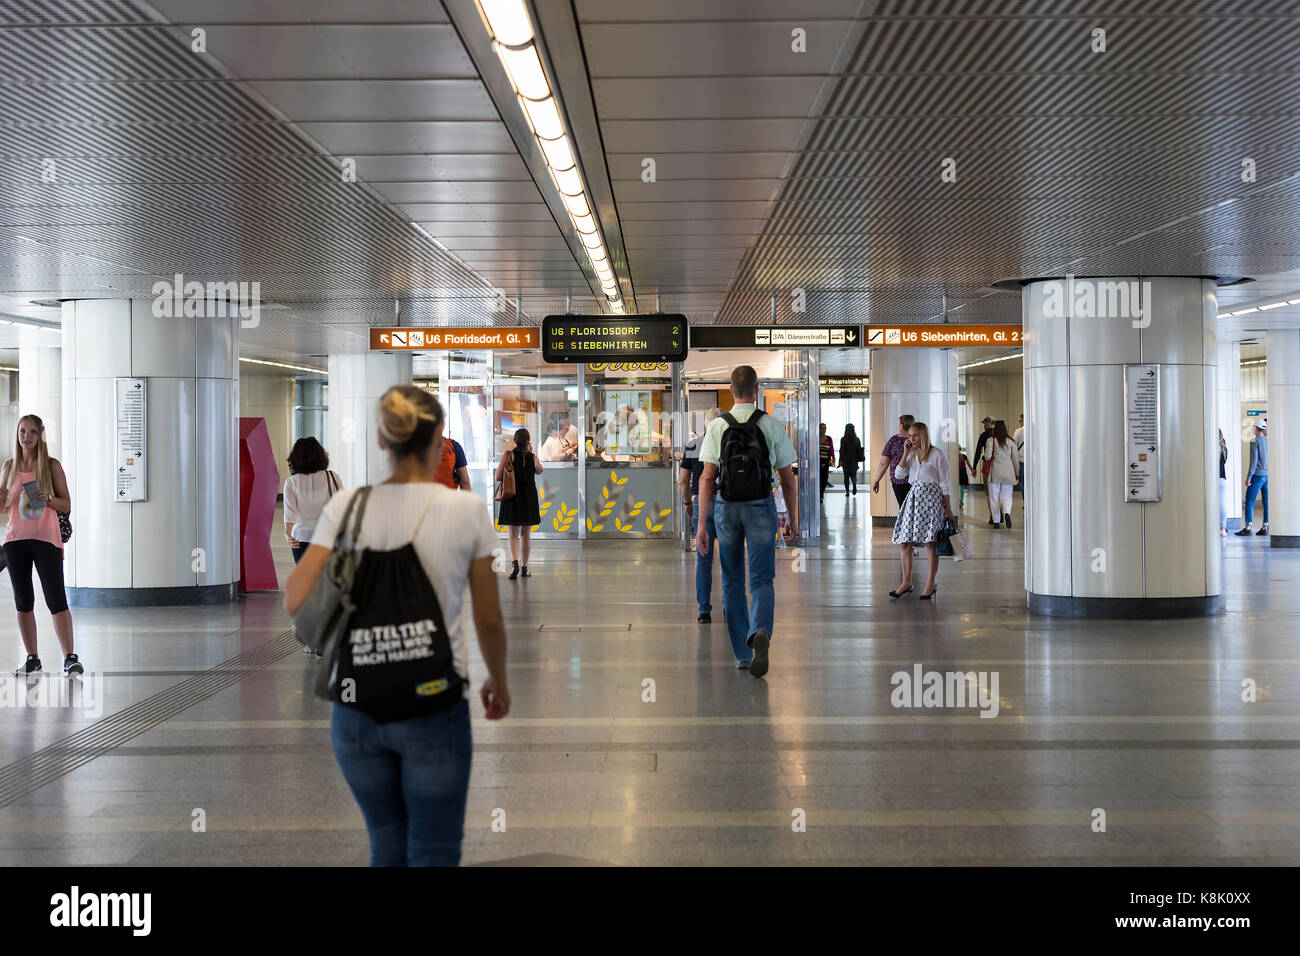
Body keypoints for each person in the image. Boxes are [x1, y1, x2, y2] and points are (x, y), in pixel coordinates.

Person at [285, 386, 509, 866]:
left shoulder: (349, 507)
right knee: (434, 849)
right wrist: (498, 679)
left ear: (383, 442)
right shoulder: (466, 511)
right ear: (439, 440)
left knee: (386, 845)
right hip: (433, 705)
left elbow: (296, 596)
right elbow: (488, 617)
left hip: (357, 707)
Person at [695, 366, 797, 677]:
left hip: (726, 509)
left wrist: (701, 523)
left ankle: (742, 653)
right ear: (756, 389)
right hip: (760, 506)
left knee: (731, 581)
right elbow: (788, 478)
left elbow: (707, 477)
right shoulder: (770, 424)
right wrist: (792, 518)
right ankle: (761, 630)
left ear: (731, 389)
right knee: (763, 579)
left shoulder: (717, 427)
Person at [1, 415, 79, 677]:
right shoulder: (9, 466)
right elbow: (3, 509)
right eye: (23, 431)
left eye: (33, 432)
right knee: (23, 602)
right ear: (17, 434)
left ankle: (70, 657)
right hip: (15, 542)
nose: (27, 436)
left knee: (56, 599)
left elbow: (66, 505)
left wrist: (48, 499)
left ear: (40, 435)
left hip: (46, 540)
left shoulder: (51, 466)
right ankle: (32, 658)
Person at [890, 421, 954, 600]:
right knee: (905, 541)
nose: (912, 439)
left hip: (932, 499)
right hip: (914, 498)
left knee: (930, 543)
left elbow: (944, 483)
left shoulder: (937, 455)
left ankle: (930, 582)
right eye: (910, 436)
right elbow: (898, 475)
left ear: (923, 435)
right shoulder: (910, 454)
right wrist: (905, 452)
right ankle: (906, 582)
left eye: (915, 435)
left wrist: (948, 507)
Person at [680, 408, 722, 623]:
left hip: (700, 505)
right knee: (728, 558)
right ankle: (729, 605)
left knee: (703, 559)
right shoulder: (729, 444)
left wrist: (688, 502)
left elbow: (683, 480)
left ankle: (704, 611)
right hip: (726, 505)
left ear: (706, 424)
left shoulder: (693, 445)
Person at [283, 437, 343, 563]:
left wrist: (287, 534)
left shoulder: (291, 482)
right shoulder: (332, 477)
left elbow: (290, 513)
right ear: (321, 456)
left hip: (300, 539)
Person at [496, 428, 542, 577]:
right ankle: (524, 568)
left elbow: (498, 476)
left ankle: (514, 563)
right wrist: (531, 453)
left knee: (512, 534)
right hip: (529, 496)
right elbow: (540, 470)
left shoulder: (508, 455)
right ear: (528, 441)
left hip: (513, 495)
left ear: (515, 441)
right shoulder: (533, 457)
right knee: (525, 534)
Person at [871, 415, 916, 505]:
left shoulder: (893, 440)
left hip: (898, 481)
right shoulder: (917, 440)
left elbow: (884, 463)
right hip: (916, 480)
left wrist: (877, 480)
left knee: (903, 507)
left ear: (902, 426)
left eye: (899, 424)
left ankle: (904, 519)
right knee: (915, 507)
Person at [1237, 420, 1269, 537]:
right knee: (1266, 502)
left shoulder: (1255, 440)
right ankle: (1265, 527)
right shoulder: (1267, 440)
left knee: (1250, 500)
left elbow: (1253, 461)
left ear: (1256, 428)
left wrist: (1248, 477)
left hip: (1257, 475)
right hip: (1267, 475)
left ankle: (1248, 527)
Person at [986, 420, 1020, 528]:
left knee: (994, 497)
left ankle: (996, 521)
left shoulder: (991, 441)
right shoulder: (1011, 442)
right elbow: (1015, 459)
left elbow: (987, 456)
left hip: (995, 472)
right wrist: (1017, 472)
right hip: (1008, 472)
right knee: (1007, 496)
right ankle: (1006, 513)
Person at [971, 417, 996, 525]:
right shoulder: (1000, 434)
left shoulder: (984, 435)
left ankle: (993, 515)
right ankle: (1000, 512)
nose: (984, 425)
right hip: (1000, 466)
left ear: (989, 423)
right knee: (998, 491)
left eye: (985, 423)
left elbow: (978, 451)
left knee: (988, 492)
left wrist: (974, 467)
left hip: (988, 465)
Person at [839, 424, 863, 496]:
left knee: (846, 476)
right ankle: (854, 484)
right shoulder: (857, 439)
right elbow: (859, 450)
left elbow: (841, 450)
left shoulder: (843, 439)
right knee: (853, 475)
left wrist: (840, 460)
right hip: (854, 460)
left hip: (845, 461)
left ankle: (847, 492)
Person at [817, 423, 836, 503]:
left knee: (824, 479)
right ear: (819, 429)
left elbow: (831, 448)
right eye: (822, 428)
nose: (824, 430)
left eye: (825, 428)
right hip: (817, 461)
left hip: (826, 461)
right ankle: (819, 495)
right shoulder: (816, 438)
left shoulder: (829, 439)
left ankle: (821, 493)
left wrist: (833, 457)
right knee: (818, 478)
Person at [1218, 428, 1229, 537]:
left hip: (1210, 479)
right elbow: (1225, 460)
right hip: (1222, 477)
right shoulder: (1223, 446)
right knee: (1222, 503)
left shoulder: (1208, 446)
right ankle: (1222, 527)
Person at [1012, 413, 1026, 492]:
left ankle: (1026, 501)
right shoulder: (1035, 430)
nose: (1020, 423)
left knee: (1021, 482)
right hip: (1033, 461)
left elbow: (1013, 445)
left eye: (1020, 421)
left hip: (1021, 460)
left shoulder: (1019, 431)